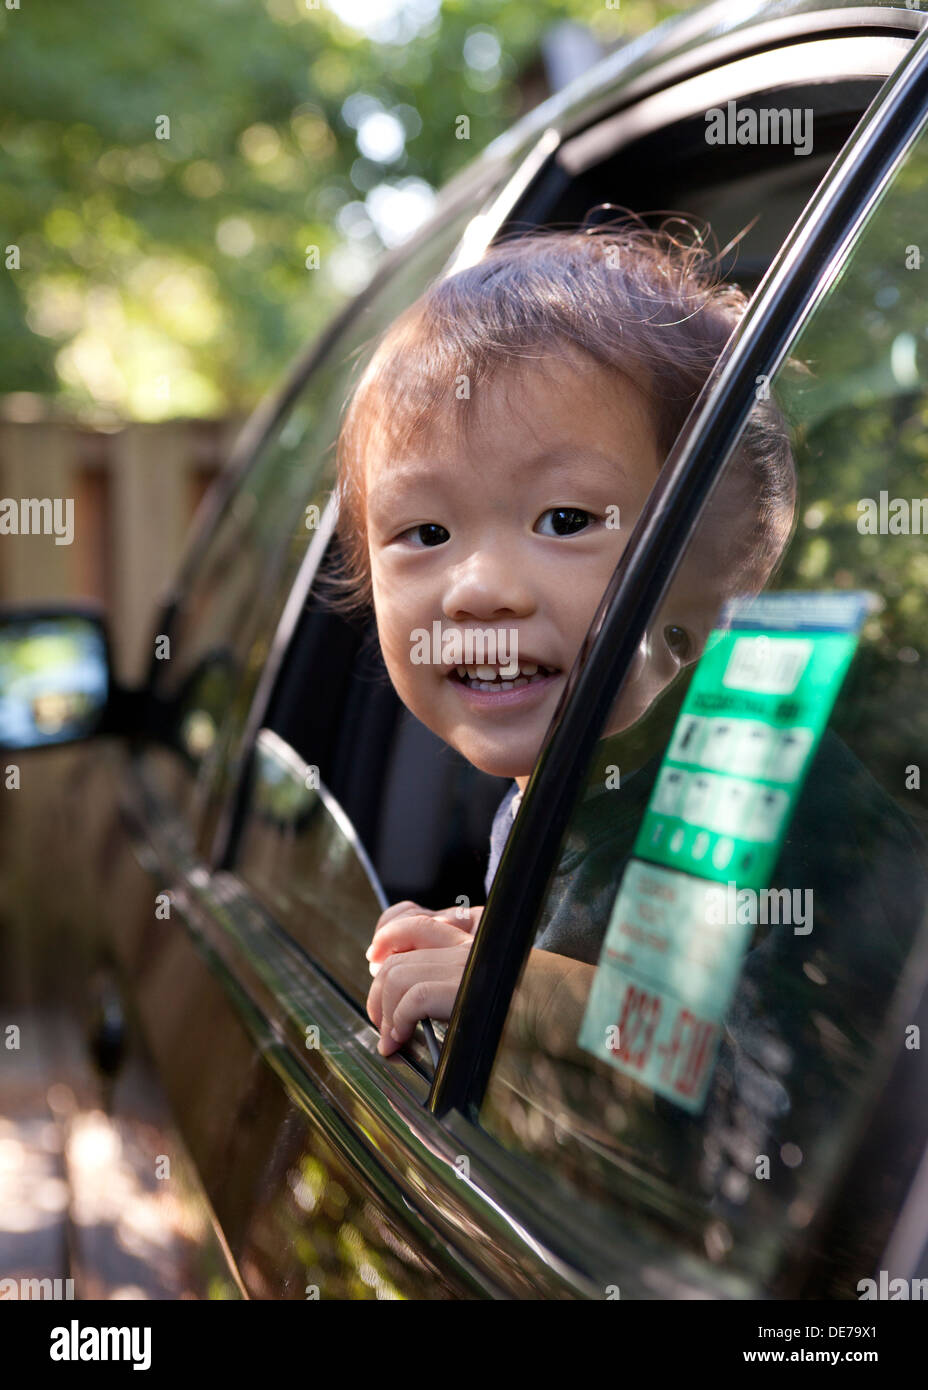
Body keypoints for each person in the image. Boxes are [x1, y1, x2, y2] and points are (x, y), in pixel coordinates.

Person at [322, 215, 800, 1057]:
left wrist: (527, 996)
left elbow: (765, 1085)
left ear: (727, 563)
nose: (479, 591)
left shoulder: (739, 799)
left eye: (566, 518)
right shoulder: (562, 794)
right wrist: (513, 947)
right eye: (426, 534)